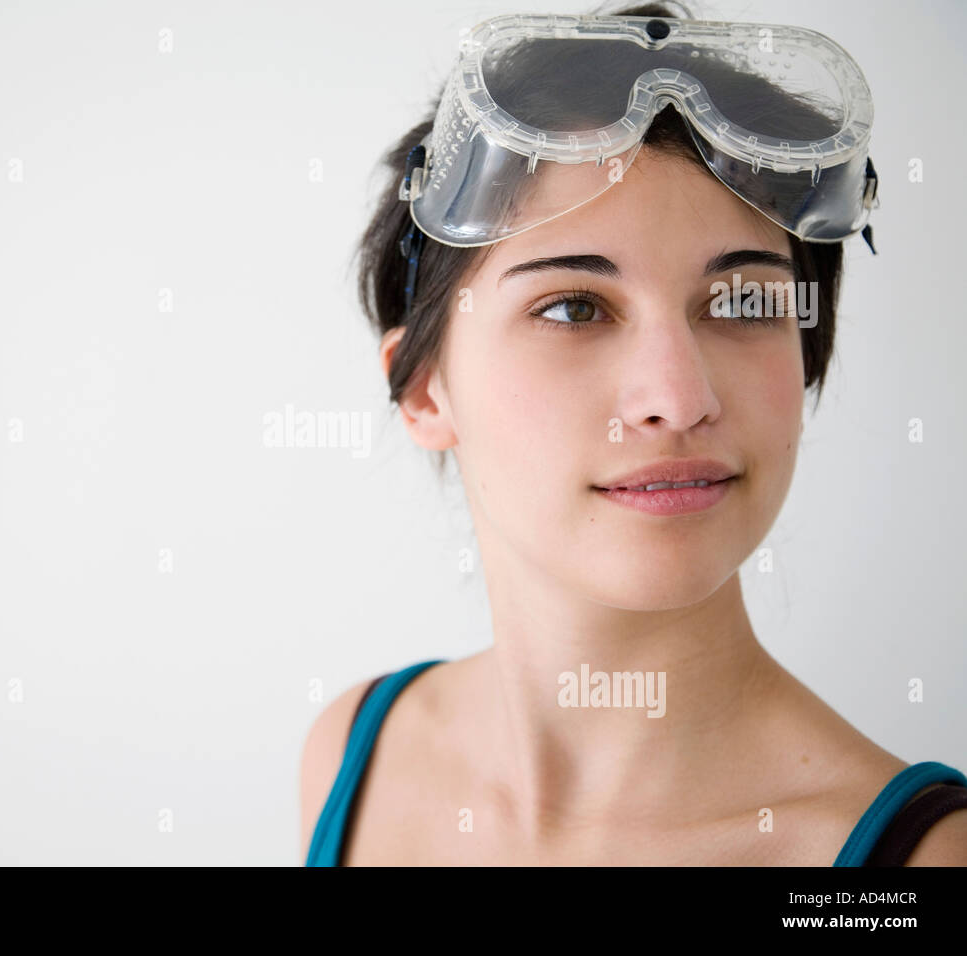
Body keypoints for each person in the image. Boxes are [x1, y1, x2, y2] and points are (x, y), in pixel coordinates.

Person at [300, 1, 967, 866]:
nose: (678, 398)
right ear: (423, 390)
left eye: (742, 302)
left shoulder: (912, 865)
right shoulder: (353, 757)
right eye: (575, 307)